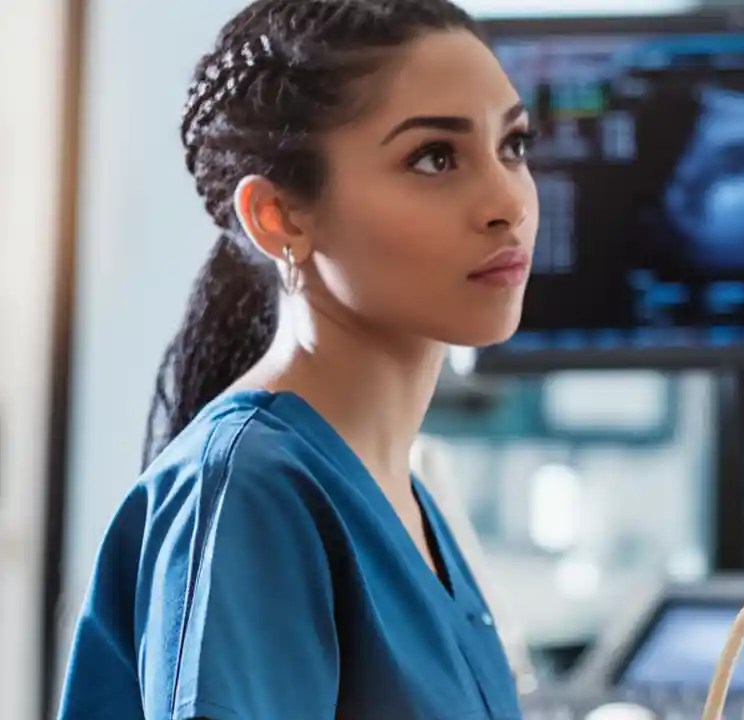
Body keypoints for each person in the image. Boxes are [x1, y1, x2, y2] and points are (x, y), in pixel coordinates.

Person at [58, 1, 538, 717]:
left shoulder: (400, 497)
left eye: (514, 146)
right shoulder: (251, 491)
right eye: (435, 158)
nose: (509, 202)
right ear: (279, 217)